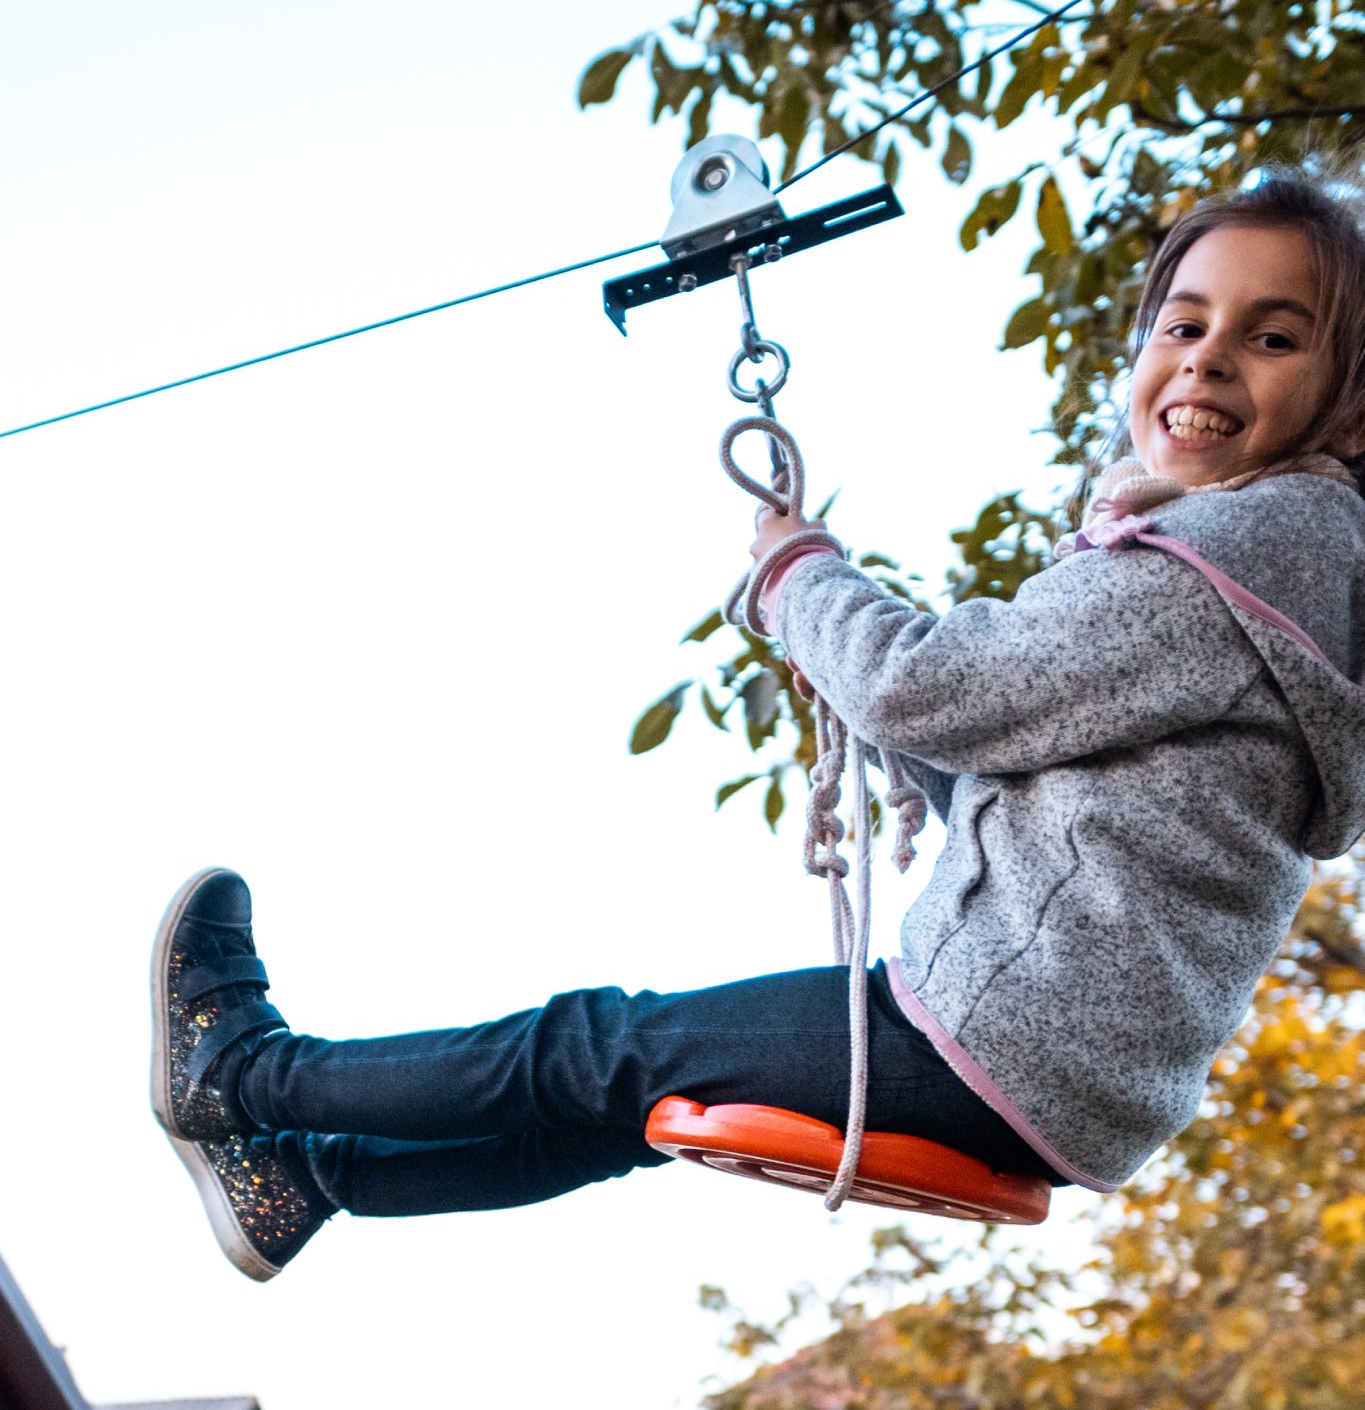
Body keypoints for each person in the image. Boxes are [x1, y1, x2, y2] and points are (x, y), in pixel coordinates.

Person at [152, 166, 1365, 1281]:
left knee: (600, 1043)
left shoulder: (1225, 556)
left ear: (1351, 406)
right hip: (1071, 1080)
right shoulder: (1288, 585)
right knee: (624, 1107)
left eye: (1272, 336)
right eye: (1185, 323)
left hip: (996, 1035)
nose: (1208, 361)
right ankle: (313, 1174)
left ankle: (241, 1076)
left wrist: (801, 576)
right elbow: (1000, 771)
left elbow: (923, 684)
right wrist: (868, 684)